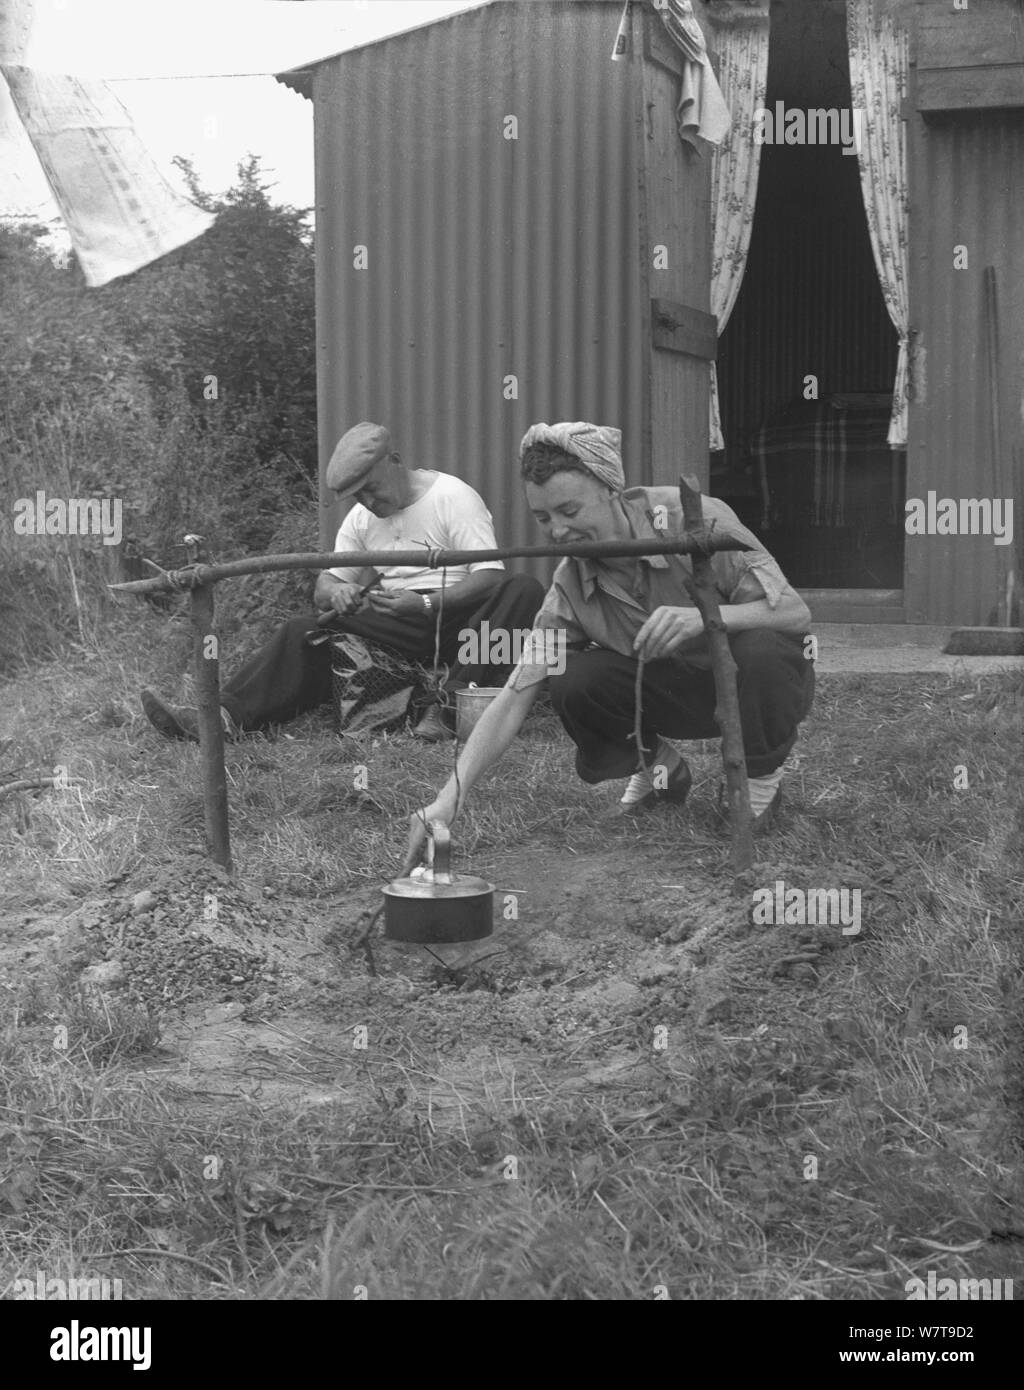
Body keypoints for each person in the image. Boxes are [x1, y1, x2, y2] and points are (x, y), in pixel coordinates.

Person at [404, 420, 815, 865]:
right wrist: (449, 799)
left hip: (743, 682)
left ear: (611, 489)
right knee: (574, 680)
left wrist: (706, 618)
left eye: (570, 511)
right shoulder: (570, 588)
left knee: (765, 647)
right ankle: (660, 767)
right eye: (544, 518)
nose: (558, 532)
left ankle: (758, 780)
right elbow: (513, 697)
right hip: (671, 695)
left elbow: (795, 612)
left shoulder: (692, 518)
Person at [141, 422, 544, 743]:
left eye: (371, 487)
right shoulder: (361, 519)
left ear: (396, 460)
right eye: (357, 496)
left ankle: (447, 708)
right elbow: (324, 588)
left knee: (522, 591)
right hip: (396, 621)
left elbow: (490, 577)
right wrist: (341, 592)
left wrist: (426, 604)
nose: (367, 502)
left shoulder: (452, 496)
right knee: (304, 629)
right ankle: (221, 719)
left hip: (457, 619)